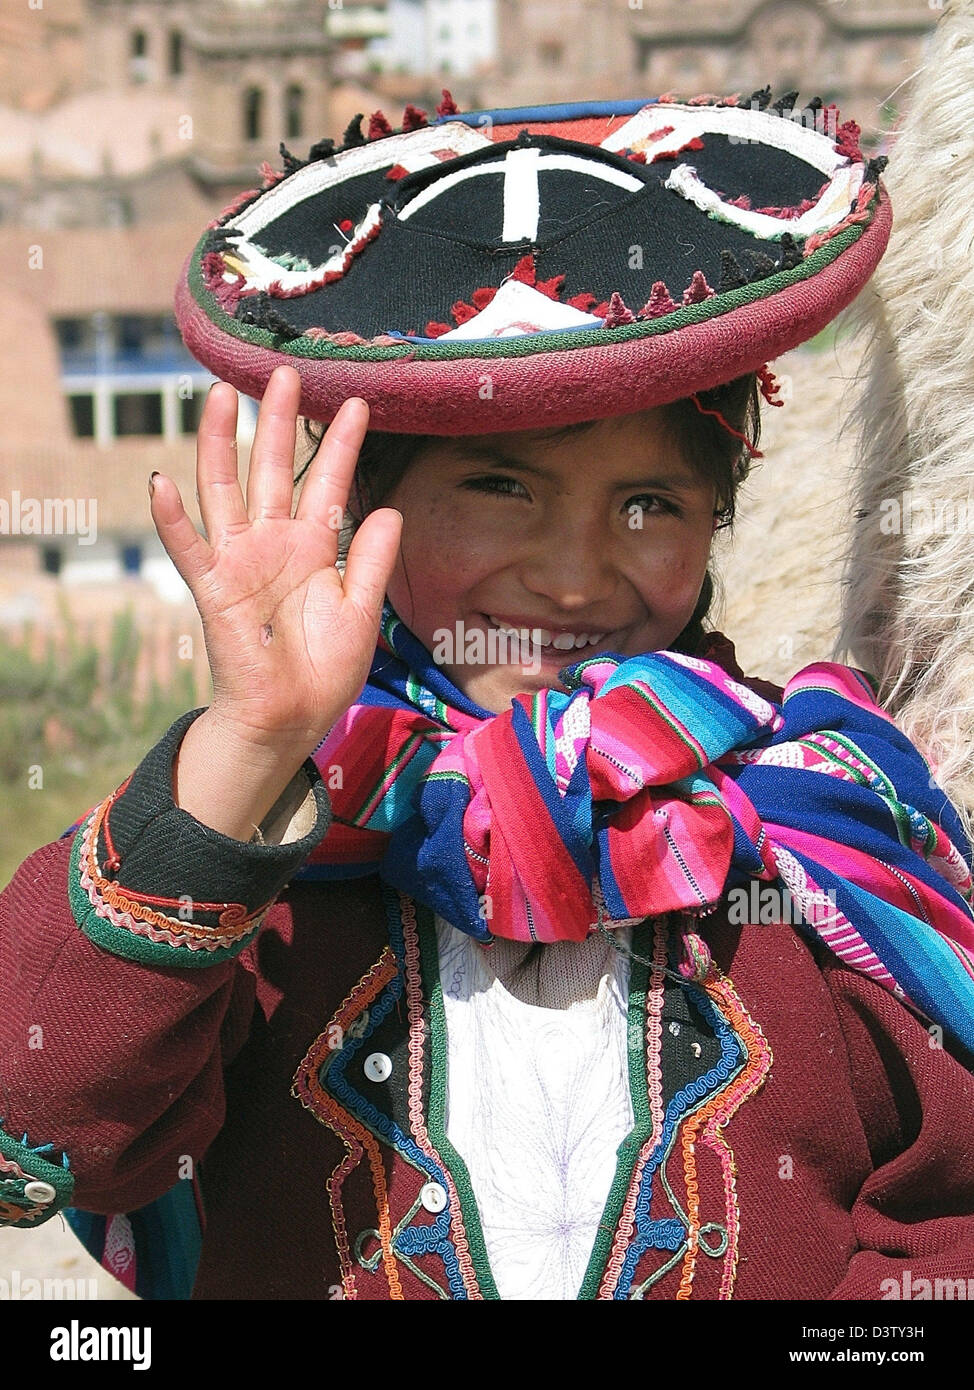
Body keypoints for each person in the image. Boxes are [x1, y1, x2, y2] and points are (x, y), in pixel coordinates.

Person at [4, 89, 974, 1302]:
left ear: (719, 519)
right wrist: (246, 742)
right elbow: (43, 1124)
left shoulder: (818, 824)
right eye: (501, 488)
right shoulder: (266, 854)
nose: (572, 576)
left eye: (647, 505)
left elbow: (942, 1221)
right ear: (367, 513)